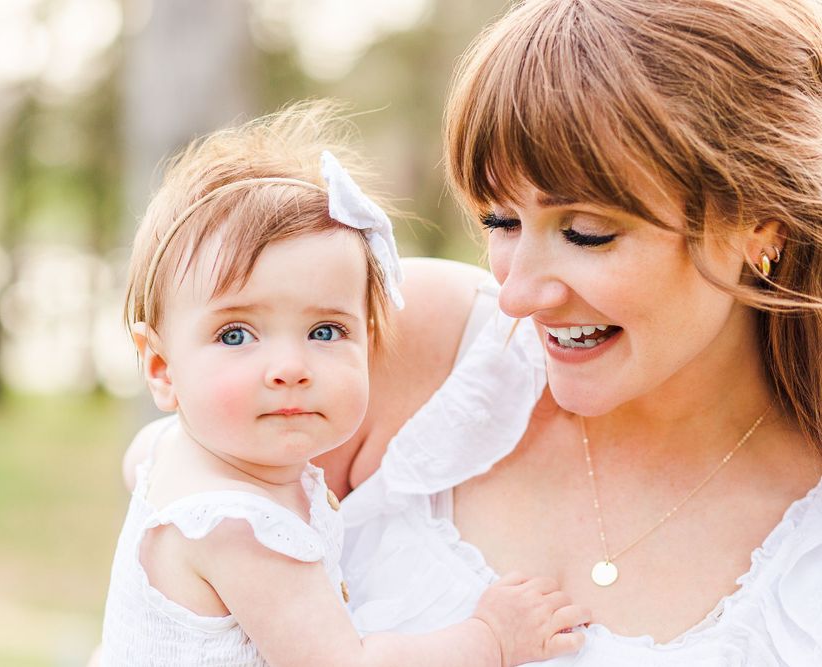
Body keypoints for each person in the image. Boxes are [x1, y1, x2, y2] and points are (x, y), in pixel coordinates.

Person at [325, 0, 822, 664]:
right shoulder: (405, 346)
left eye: (587, 233)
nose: (516, 295)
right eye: (501, 222)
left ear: (760, 226)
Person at [97, 101, 590, 666]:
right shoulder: (241, 530)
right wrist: (491, 638)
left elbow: (138, 462)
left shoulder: (170, 452)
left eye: (325, 331)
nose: (290, 367)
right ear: (161, 369)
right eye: (236, 335)